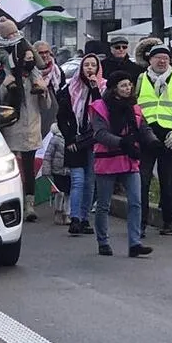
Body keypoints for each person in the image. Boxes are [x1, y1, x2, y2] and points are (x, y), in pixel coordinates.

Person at [89, 70, 158, 257]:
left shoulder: (134, 107)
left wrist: (152, 141)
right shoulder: (100, 107)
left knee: (136, 202)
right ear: (114, 89)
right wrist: (121, 142)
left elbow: (143, 127)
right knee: (103, 204)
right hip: (108, 160)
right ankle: (103, 241)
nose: (128, 89)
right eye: (123, 86)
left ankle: (134, 243)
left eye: (129, 85)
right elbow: (100, 134)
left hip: (129, 160)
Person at [135, 44, 172, 237]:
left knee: (168, 182)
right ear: (150, 60)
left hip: (170, 138)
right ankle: (140, 223)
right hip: (145, 137)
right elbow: (133, 108)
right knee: (141, 182)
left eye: (165, 59)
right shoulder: (140, 79)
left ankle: (169, 222)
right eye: (158, 58)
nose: (162, 61)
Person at [0, 44, 46, 222]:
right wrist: (6, 86)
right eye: (27, 58)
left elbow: (46, 107)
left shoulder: (36, 77)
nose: (30, 61)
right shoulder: (8, 76)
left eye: (32, 58)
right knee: (10, 170)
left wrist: (43, 91)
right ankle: (9, 202)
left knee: (29, 169)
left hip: (31, 129)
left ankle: (29, 204)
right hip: (12, 129)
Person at [56, 54, 105, 236]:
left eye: (93, 65)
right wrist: (69, 139)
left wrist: (94, 88)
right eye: (87, 65)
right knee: (78, 180)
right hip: (75, 140)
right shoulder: (70, 89)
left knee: (90, 182)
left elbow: (101, 110)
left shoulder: (104, 87)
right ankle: (74, 217)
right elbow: (62, 117)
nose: (90, 68)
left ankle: (85, 218)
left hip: (94, 140)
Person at [39, 122, 71, 225]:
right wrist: (46, 170)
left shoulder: (72, 137)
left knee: (68, 193)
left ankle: (67, 214)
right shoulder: (56, 139)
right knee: (59, 192)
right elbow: (48, 155)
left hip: (69, 171)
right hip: (57, 171)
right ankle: (58, 211)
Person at [33, 40, 64, 136]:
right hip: (35, 114)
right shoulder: (30, 72)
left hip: (53, 115)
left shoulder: (57, 71)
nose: (44, 55)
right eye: (40, 53)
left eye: (47, 52)